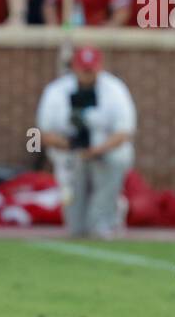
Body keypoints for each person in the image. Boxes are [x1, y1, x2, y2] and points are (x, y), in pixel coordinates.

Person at [35, 46, 136, 238]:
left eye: (91, 69)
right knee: (76, 227)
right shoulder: (57, 90)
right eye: (83, 69)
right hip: (69, 150)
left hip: (104, 149)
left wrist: (97, 149)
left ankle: (104, 221)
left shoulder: (114, 89)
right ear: (74, 67)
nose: (88, 75)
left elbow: (124, 131)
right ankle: (83, 222)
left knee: (117, 159)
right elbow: (43, 132)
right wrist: (72, 145)